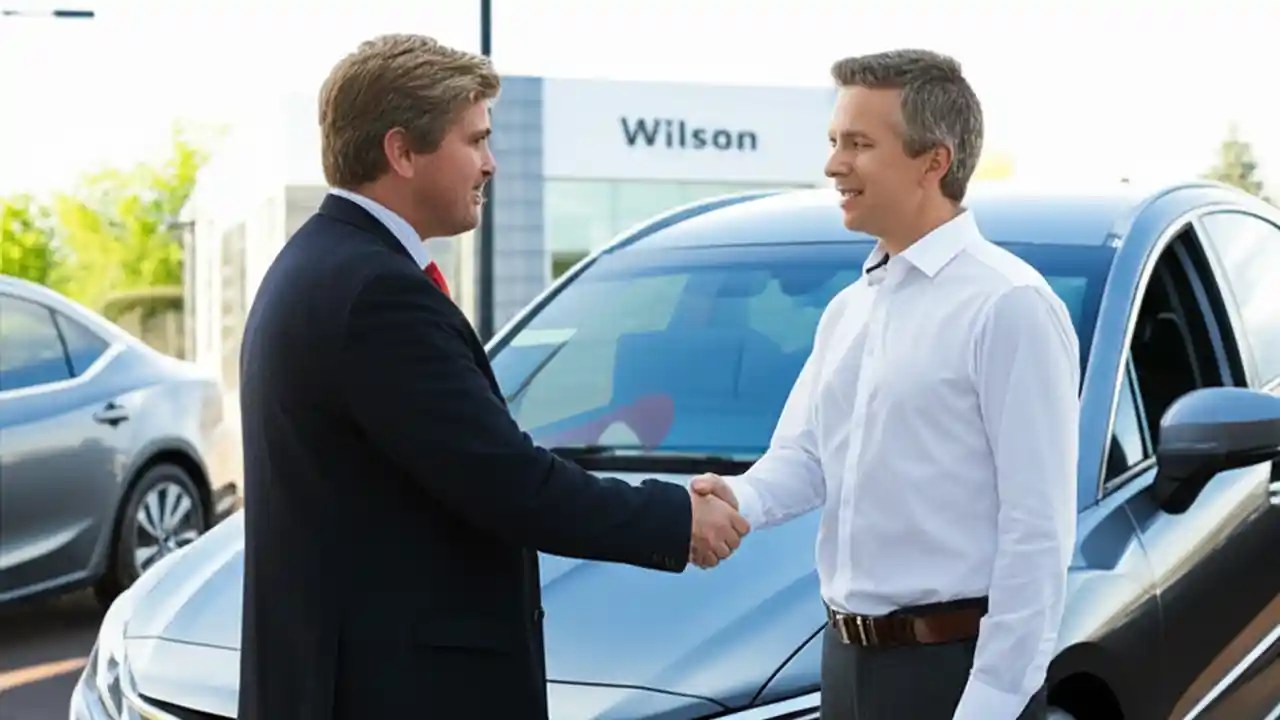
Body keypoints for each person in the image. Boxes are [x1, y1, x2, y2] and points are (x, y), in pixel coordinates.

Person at [235, 34, 749, 720]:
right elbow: (506, 481)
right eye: (474, 140)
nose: (491, 164)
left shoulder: (318, 265)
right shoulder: (378, 295)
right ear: (402, 151)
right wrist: (676, 516)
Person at [693, 49, 1079, 720]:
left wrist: (990, 702)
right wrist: (737, 497)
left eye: (859, 144)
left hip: (952, 676)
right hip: (845, 665)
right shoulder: (852, 309)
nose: (833, 164)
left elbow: (1038, 531)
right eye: (835, 141)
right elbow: (808, 457)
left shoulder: (1009, 305)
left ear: (935, 160)